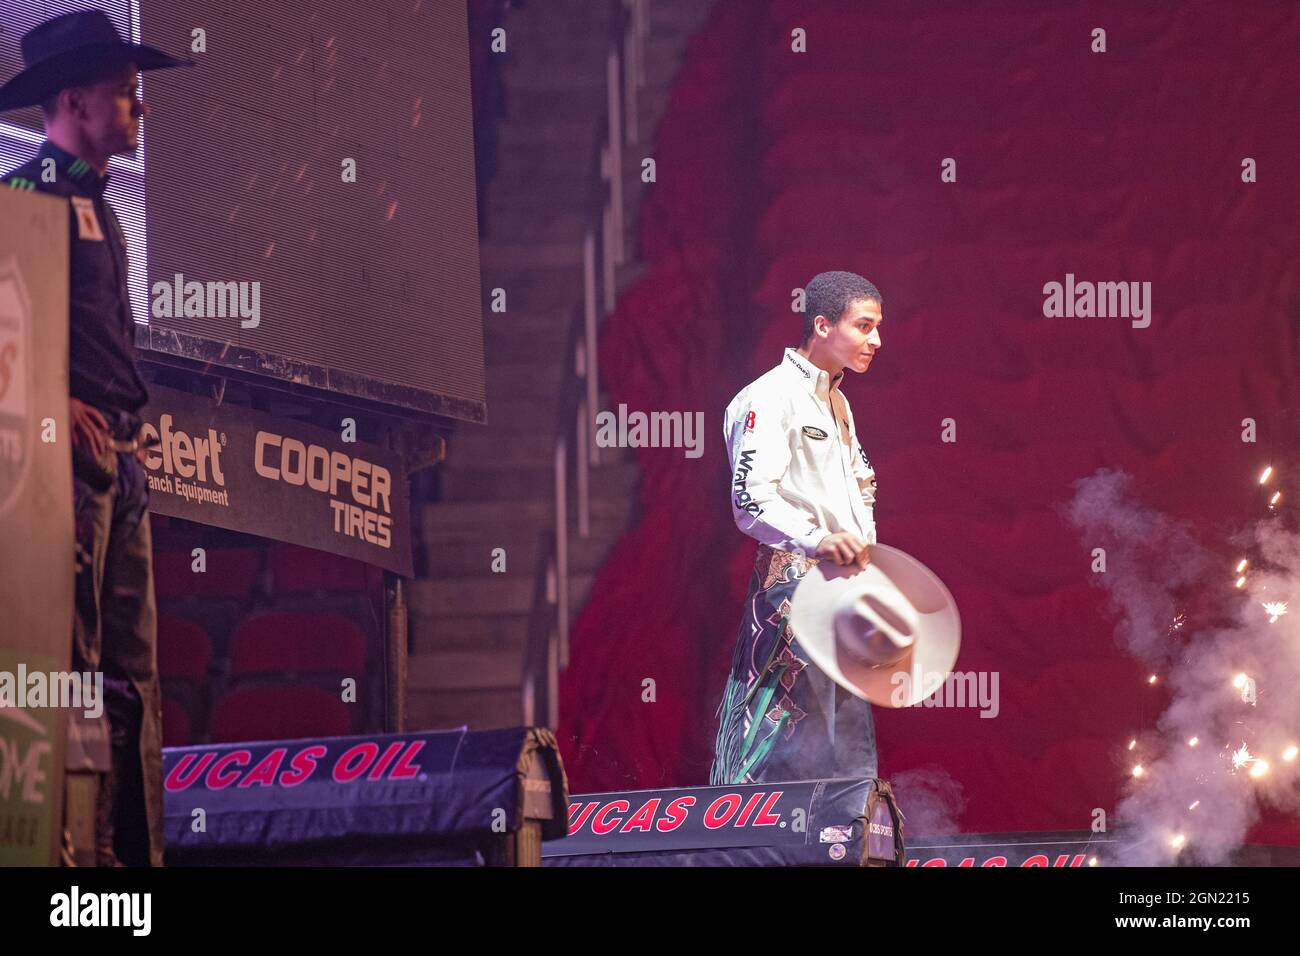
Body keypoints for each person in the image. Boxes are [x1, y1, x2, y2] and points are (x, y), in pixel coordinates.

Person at [0, 9, 193, 866]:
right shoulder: (22, 197)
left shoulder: (102, 208)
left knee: (133, 671)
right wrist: (53, 401)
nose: (138, 105)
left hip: (121, 457)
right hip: (66, 467)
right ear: (74, 101)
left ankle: (133, 861)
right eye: (124, 91)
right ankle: (73, 850)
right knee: (73, 659)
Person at [711, 271, 884, 785]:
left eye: (877, 327)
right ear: (823, 325)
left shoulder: (837, 402)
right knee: (787, 756)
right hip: (792, 594)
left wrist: (866, 557)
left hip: (841, 594)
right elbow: (750, 500)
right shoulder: (768, 397)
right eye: (865, 325)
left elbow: (862, 486)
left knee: (851, 756)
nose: (877, 340)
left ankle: (852, 832)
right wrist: (820, 539)